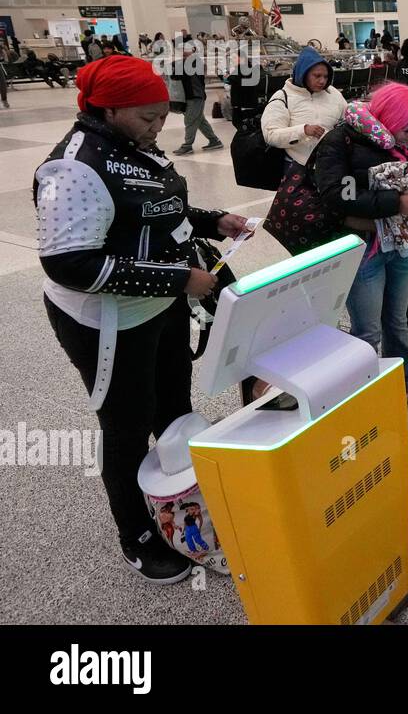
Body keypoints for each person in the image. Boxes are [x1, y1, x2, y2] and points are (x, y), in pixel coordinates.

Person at [34, 54, 254, 583]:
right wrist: (178, 279)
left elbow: (157, 208)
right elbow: (68, 264)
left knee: (174, 409)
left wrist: (210, 219)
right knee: (127, 427)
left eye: (163, 117)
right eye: (147, 118)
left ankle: (180, 508)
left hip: (159, 308)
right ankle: (135, 533)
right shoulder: (74, 168)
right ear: (106, 110)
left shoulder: (134, 146)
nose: (159, 128)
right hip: (106, 320)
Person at [314, 83, 408, 408]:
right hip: (364, 248)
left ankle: (404, 378)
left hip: (398, 244)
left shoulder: (396, 142)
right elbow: (336, 194)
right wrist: (395, 202)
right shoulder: (341, 140)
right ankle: (364, 392)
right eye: (407, 126)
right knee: (367, 330)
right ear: (389, 116)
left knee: (397, 320)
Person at [260, 46, 346, 169]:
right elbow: (271, 135)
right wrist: (303, 131)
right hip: (298, 166)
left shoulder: (333, 94)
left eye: (326, 77)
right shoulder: (283, 97)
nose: (322, 81)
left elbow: (347, 118)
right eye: (317, 76)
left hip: (331, 163)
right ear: (303, 74)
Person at [173, 38, 222, 155]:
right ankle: (214, 140)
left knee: (190, 120)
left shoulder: (195, 61)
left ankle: (187, 145)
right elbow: (175, 76)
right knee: (199, 120)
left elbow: (179, 73)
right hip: (191, 96)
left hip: (196, 96)